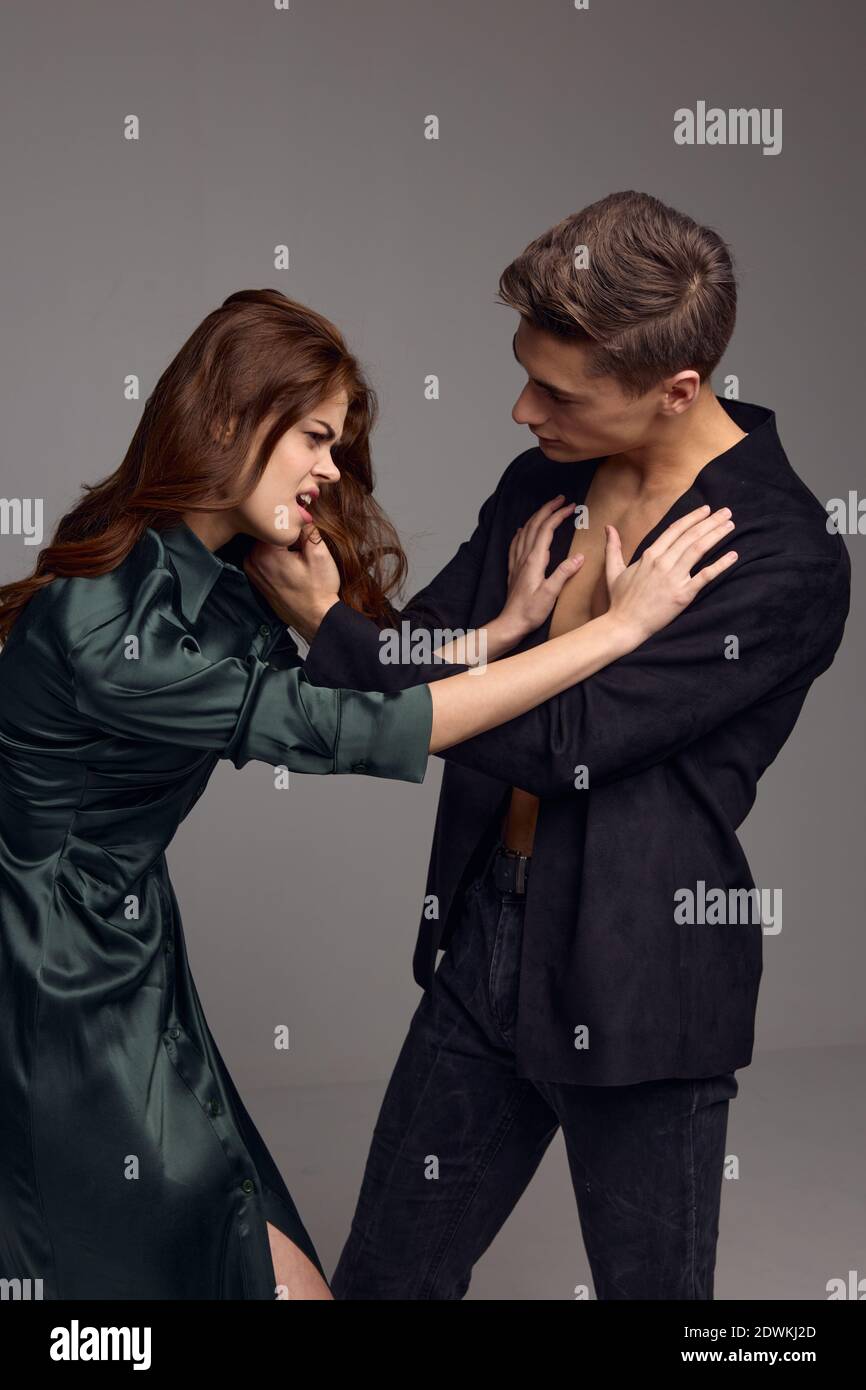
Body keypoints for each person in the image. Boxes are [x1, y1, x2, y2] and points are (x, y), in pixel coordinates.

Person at [0, 287, 734, 1301]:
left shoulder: (219, 575)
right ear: (221, 419)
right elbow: (360, 726)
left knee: (206, 1246)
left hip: (122, 948)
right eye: (311, 435)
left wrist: (498, 630)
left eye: (335, 443)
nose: (330, 469)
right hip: (45, 977)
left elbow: (351, 675)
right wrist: (613, 631)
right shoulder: (105, 624)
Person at [258, 192, 852, 1299]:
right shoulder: (545, 482)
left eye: (558, 391)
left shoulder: (781, 557)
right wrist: (343, 616)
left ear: (676, 390)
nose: (522, 407)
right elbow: (419, 646)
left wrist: (337, 636)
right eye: (523, 369)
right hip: (484, 938)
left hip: (639, 974)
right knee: (383, 1284)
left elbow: (558, 741)